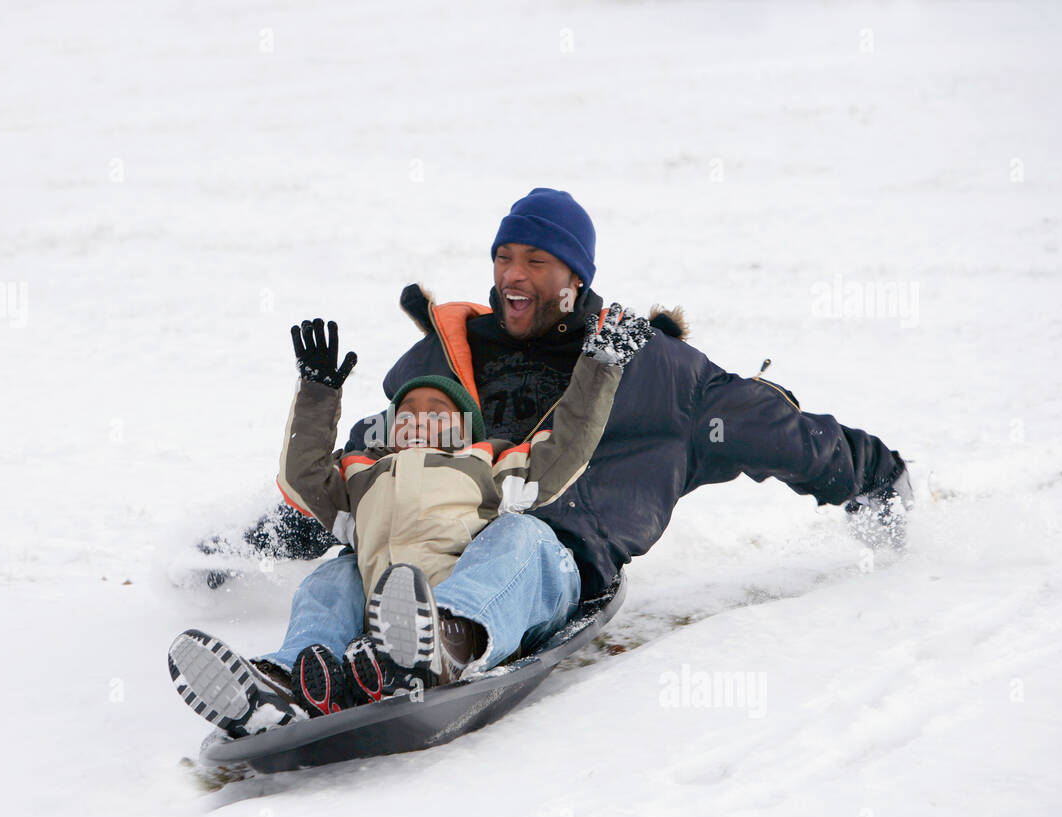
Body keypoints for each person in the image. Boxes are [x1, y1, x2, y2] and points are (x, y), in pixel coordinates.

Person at [172, 187, 912, 739]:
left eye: (535, 259)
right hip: (423, 550)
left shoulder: (657, 376)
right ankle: (282, 679)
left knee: (520, 540)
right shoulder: (449, 358)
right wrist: (255, 543)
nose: (512, 274)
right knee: (343, 567)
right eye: (503, 256)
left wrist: (877, 482)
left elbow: (779, 431)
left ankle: (448, 639)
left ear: (576, 276)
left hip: (549, 554)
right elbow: (373, 475)